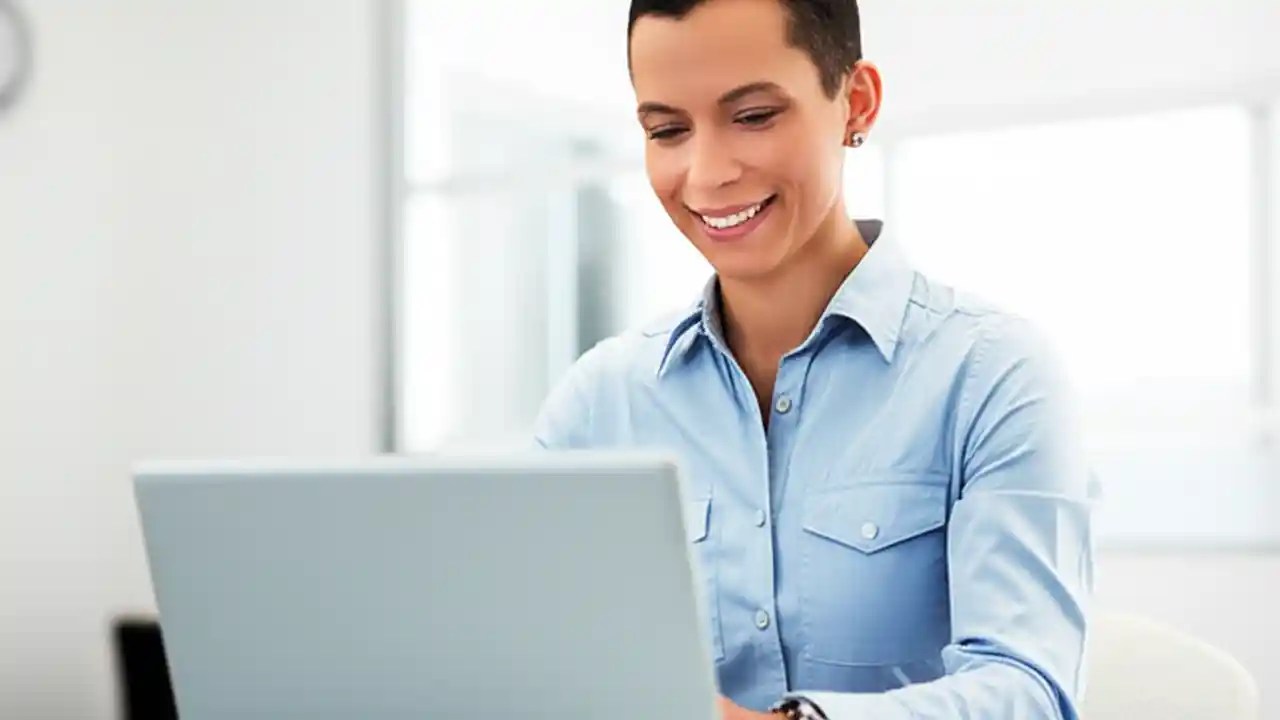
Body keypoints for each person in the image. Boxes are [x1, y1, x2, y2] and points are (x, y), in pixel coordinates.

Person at [533, 0, 1094, 717]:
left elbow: (1031, 692)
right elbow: (540, 663)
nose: (705, 175)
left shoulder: (992, 376)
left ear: (854, 103)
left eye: (755, 116)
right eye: (667, 130)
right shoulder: (598, 406)